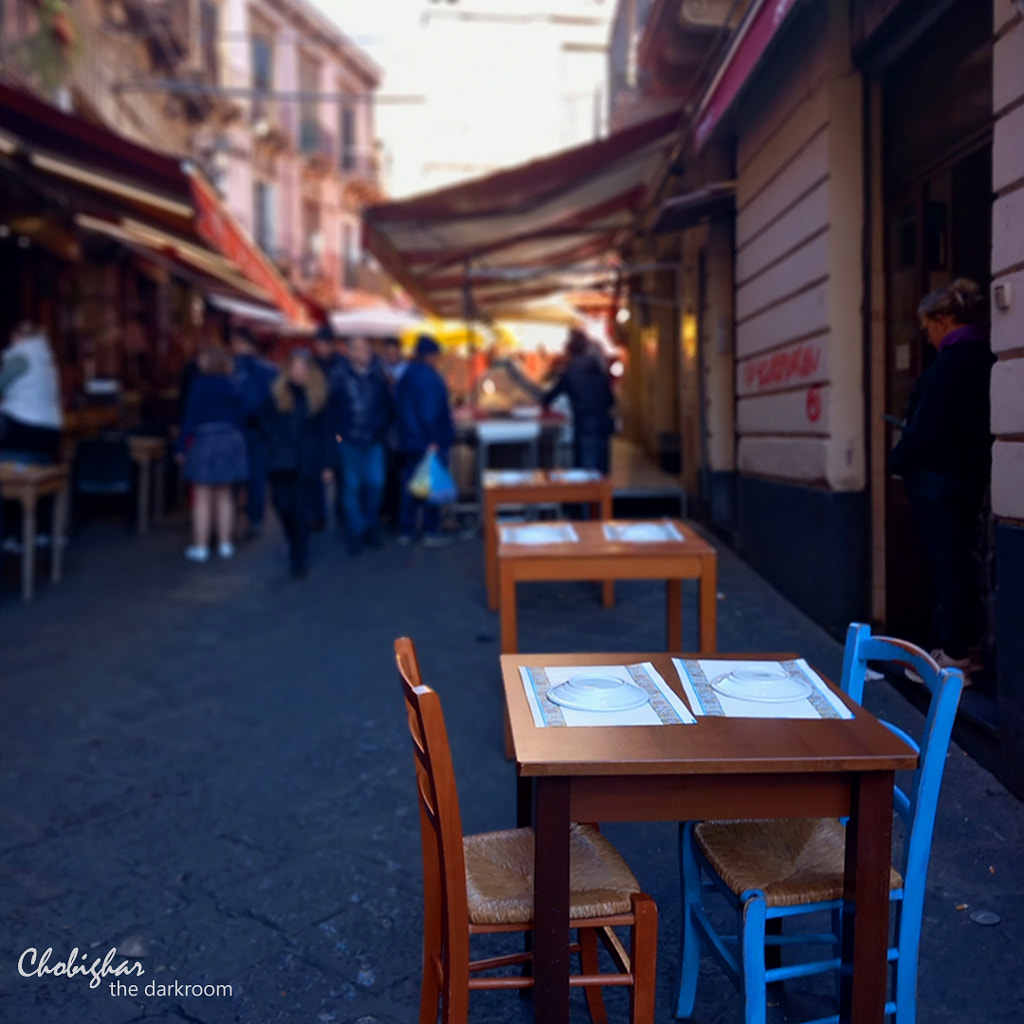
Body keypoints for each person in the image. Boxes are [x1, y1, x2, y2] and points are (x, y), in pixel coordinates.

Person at [890, 277, 995, 681]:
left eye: (928, 328)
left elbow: (928, 428)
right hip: (969, 476)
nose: (928, 337)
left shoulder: (949, 364)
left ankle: (954, 659)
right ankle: (969, 648)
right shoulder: (985, 357)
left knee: (948, 564)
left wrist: (900, 457)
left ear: (943, 321)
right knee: (960, 562)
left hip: (938, 479)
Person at [258, 350, 332, 578]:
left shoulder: (318, 397)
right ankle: (295, 542)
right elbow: (260, 419)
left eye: (303, 367)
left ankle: (298, 558)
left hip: (306, 462)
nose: (299, 372)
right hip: (280, 461)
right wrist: (271, 439)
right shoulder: (276, 394)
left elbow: (329, 432)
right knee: (282, 505)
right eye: (295, 367)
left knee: (299, 510)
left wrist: (328, 462)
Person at [177, 346, 248, 562]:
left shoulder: (199, 384)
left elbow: (190, 417)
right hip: (230, 439)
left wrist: (181, 447)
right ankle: (225, 544)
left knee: (202, 496)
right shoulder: (233, 383)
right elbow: (242, 415)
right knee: (225, 495)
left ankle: (201, 546)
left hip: (205, 440)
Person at [329, 335, 392, 554]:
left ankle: (370, 524)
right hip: (349, 440)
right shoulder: (338, 377)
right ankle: (357, 531)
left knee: (376, 484)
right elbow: (332, 411)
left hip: (373, 440)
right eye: (359, 348)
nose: (364, 352)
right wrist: (338, 439)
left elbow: (386, 406)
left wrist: (381, 431)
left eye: (366, 348)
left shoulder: (379, 376)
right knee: (352, 487)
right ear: (350, 352)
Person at [395, 334, 454, 546]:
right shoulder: (429, 378)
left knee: (412, 484)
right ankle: (430, 529)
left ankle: (407, 529)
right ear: (431, 355)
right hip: (428, 440)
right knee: (432, 486)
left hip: (410, 439)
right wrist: (434, 438)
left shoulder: (406, 374)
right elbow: (430, 412)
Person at [541, 329, 615, 474]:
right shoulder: (599, 370)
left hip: (583, 425)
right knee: (602, 475)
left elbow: (549, 397)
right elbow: (611, 400)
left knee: (584, 474)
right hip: (603, 426)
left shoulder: (570, 373)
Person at [230, 328, 277, 540]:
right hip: (259, 430)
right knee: (256, 477)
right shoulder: (269, 370)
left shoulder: (232, 368)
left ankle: (234, 519)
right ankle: (254, 518)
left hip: (238, 430)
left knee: (235, 478)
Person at [0, 322, 63, 464]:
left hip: (24, 431)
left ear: (17, 336)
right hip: (49, 432)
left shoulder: (22, 355)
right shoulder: (44, 357)